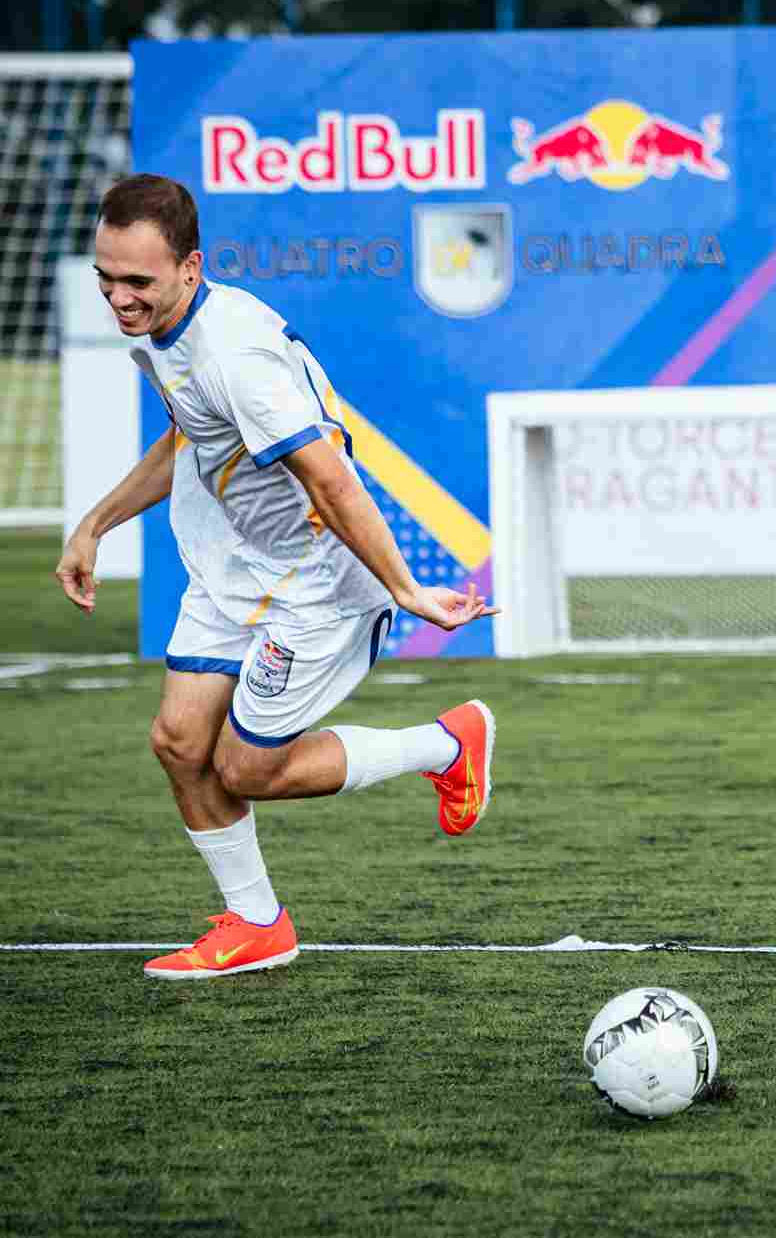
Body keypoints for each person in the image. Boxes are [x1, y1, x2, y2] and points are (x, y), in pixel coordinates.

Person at [55, 173, 500, 981]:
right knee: (180, 744)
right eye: (106, 279)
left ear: (192, 267)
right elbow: (186, 437)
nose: (119, 299)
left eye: (138, 283)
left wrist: (407, 591)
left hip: (316, 587)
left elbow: (331, 479)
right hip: (236, 567)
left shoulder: (236, 354)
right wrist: (95, 524)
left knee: (246, 768)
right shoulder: (170, 328)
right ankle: (257, 924)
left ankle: (445, 744)